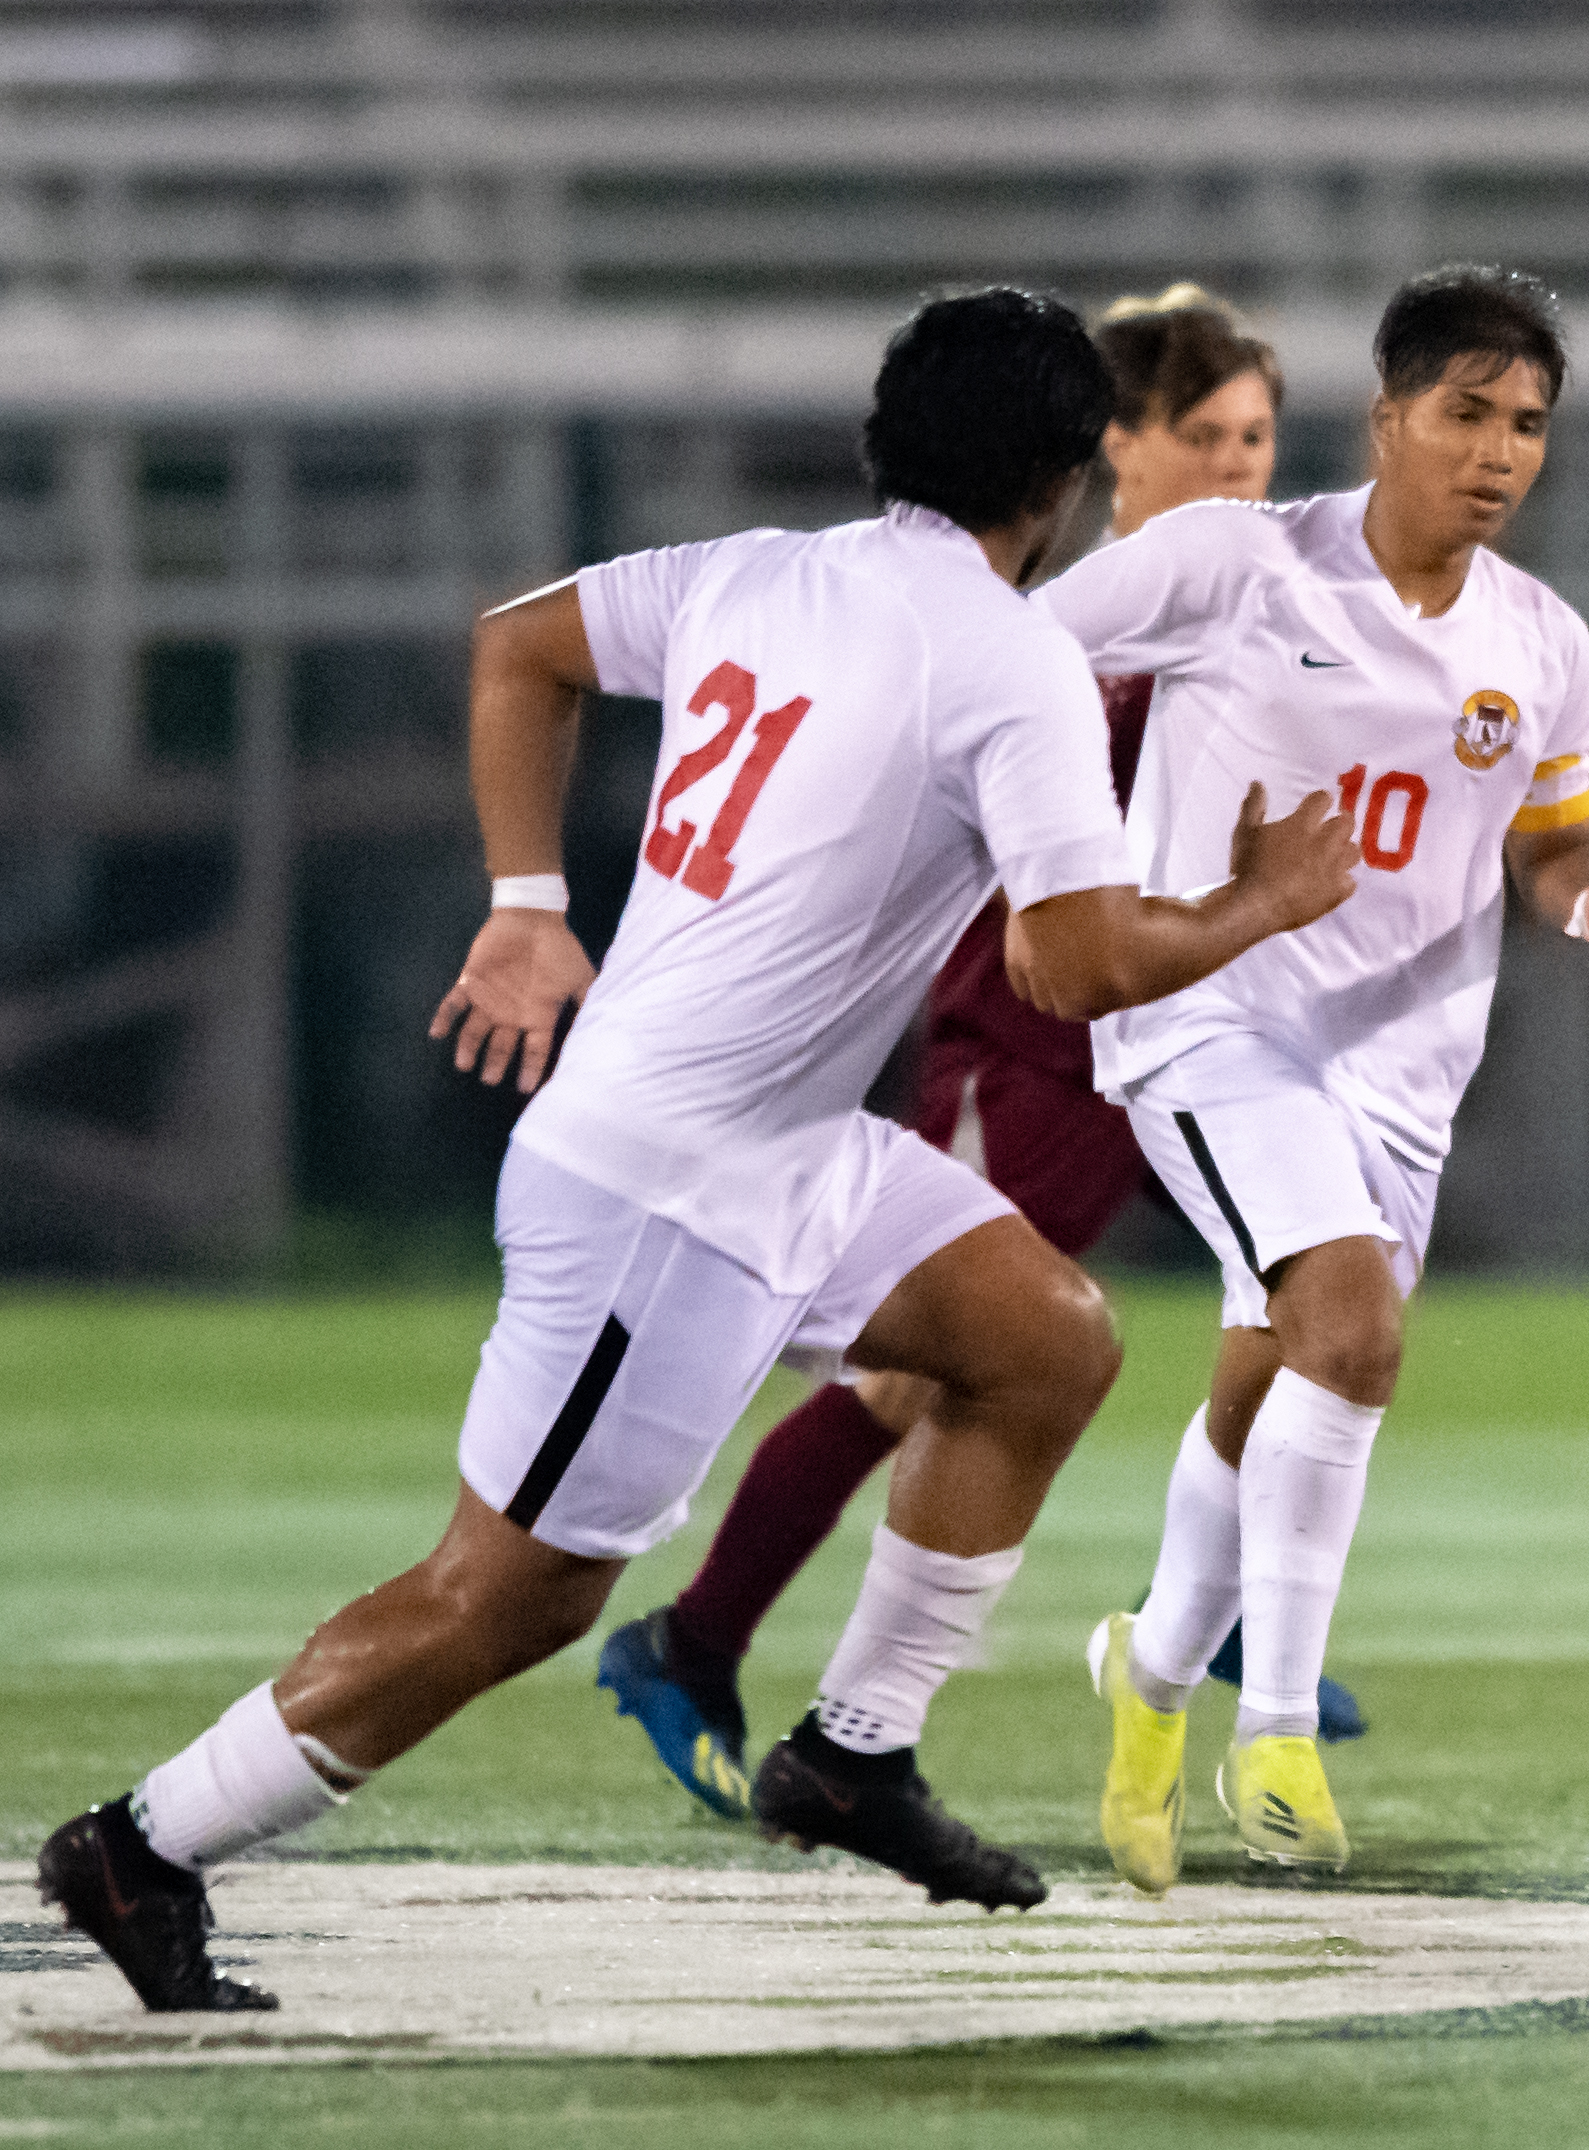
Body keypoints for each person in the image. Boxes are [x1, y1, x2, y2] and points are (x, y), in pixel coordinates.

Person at [36, 288, 1358, 2013]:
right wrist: (1262, 901)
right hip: (664, 1188)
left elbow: (519, 641)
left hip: (786, 1149)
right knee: (500, 1601)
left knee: (1043, 1339)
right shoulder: (1009, 653)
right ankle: (140, 1845)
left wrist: (528, 901)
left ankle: (851, 1752)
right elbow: (1077, 964)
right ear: (1065, 473)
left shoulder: (756, 569)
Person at [589, 284, 1363, 1829]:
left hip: (1178, 1036)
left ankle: (1205, 1608)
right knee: (920, 1370)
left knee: (1296, 1298)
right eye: (1200, 437)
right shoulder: (1052, 624)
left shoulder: (1238, 602)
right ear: (1105, 453)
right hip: (1038, 1045)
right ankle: (691, 1639)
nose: (1235, 469)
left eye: (1258, 439)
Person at [1058, 262, 1589, 1893]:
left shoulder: (1540, 642)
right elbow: (1015, 656)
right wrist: (1075, 867)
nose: (1500, 451)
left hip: (1403, 1065)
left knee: (1273, 1372)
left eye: (1528, 423)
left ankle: (1150, 1674)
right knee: (1353, 1323)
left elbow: (1545, 831)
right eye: (1466, 412)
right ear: (1385, 416)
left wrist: (1583, 900)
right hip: (1208, 1012)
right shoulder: (1238, 561)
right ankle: (1277, 1731)